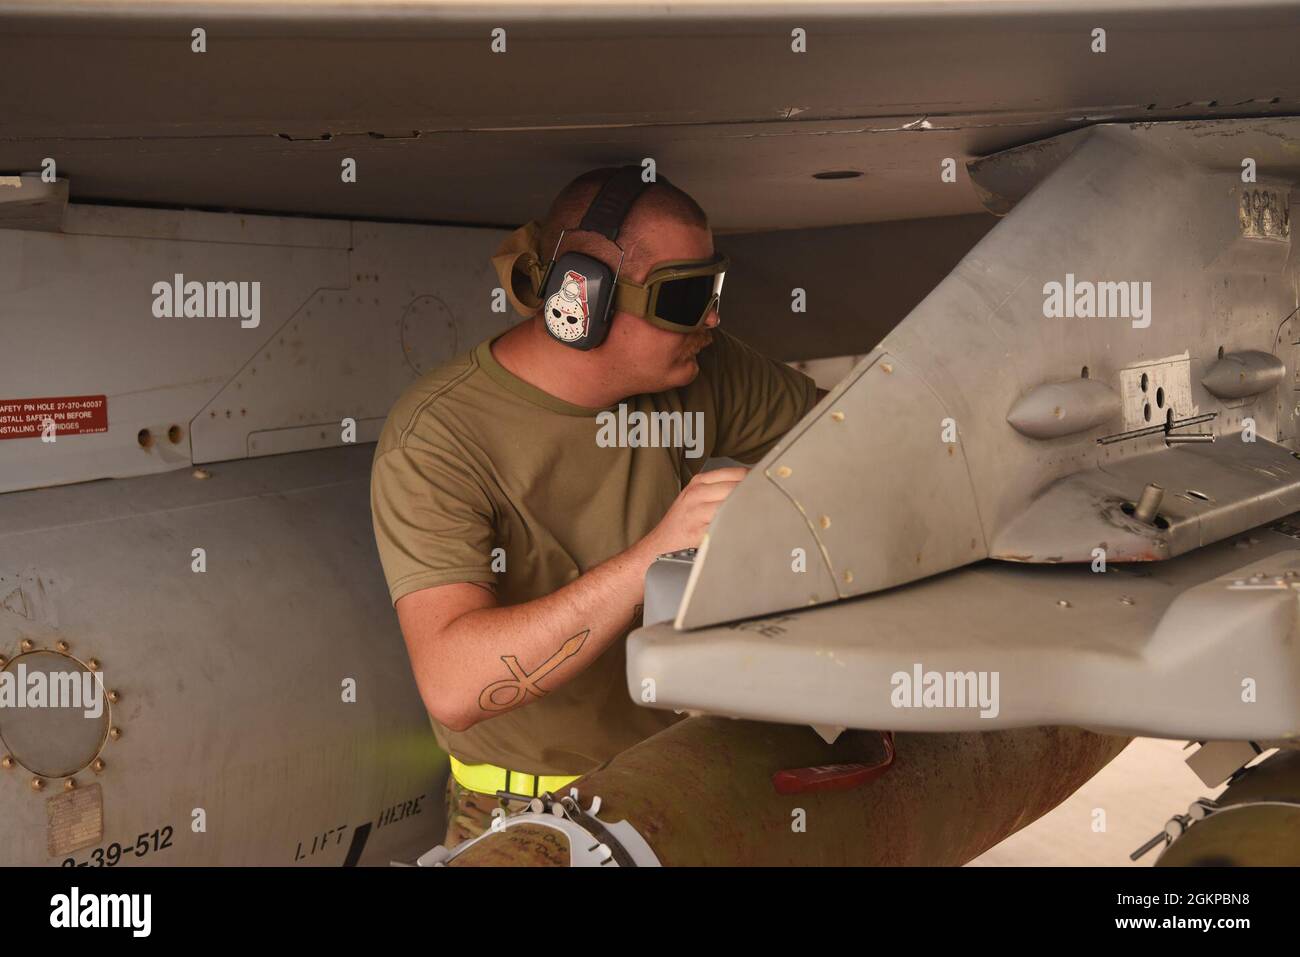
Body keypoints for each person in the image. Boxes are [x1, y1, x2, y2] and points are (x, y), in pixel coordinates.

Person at [370, 165, 824, 847]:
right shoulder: (437, 439)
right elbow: (453, 684)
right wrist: (650, 559)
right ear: (580, 299)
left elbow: (846, 442)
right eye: (687, 296)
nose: (712, 316)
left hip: (673, 780)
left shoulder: (705, 370)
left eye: (714, 285)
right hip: (529, 817)